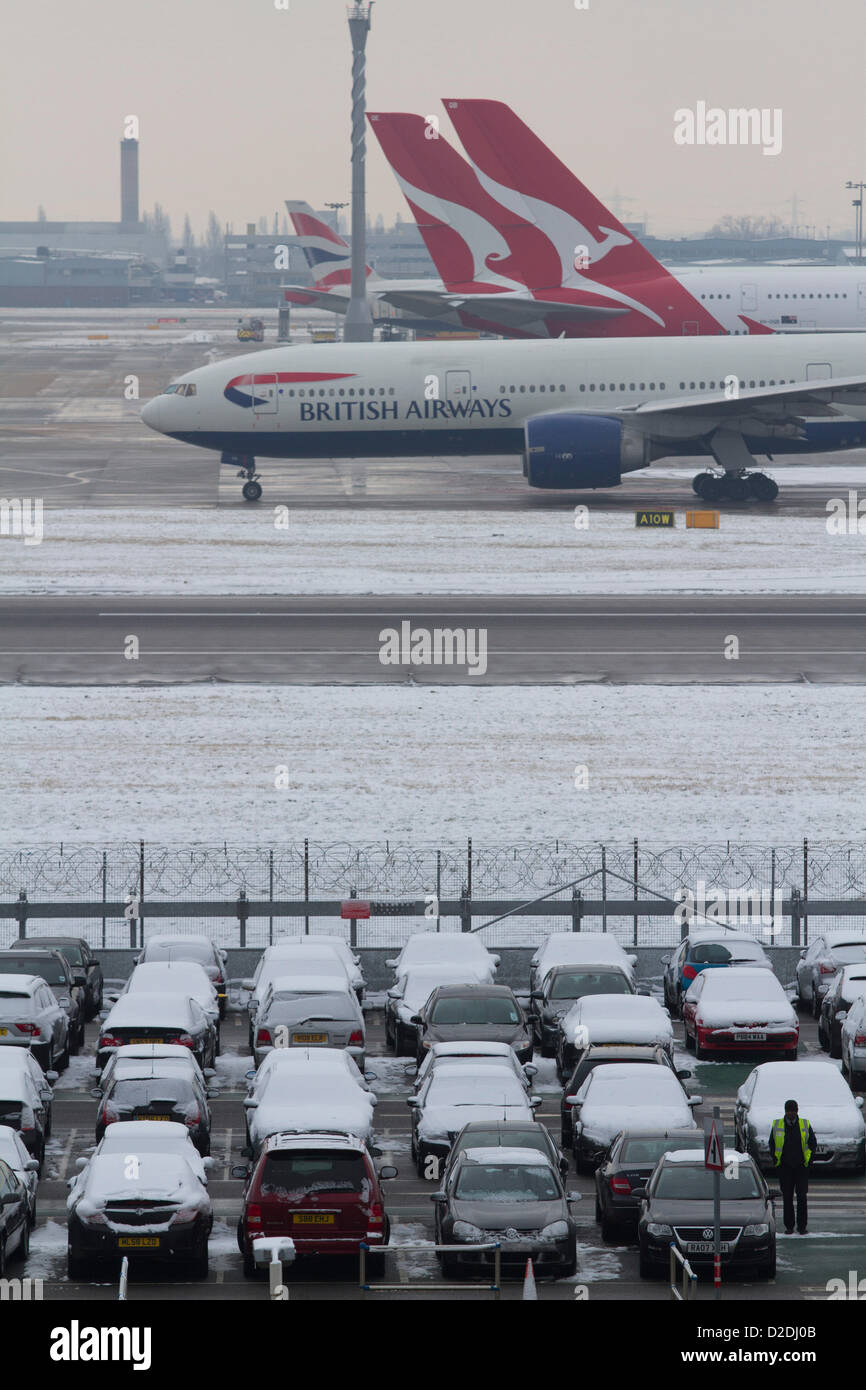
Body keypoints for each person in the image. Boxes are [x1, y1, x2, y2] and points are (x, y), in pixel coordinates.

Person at [769, 1099, 817, 1235]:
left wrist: (809, 1161)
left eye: (793, 1111)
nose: (791, 1113)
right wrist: (776, 1160)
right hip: (785, 1167)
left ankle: (802, 1227)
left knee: (802, 1197)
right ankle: (789, 1226)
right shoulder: (777, 1124)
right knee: (787, 1197)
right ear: (785, 1111)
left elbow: (812, 1143)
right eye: (789, 1111)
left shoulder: (805, 1124)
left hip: (801, 1167)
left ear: (797, 1111)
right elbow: (772, 1144)